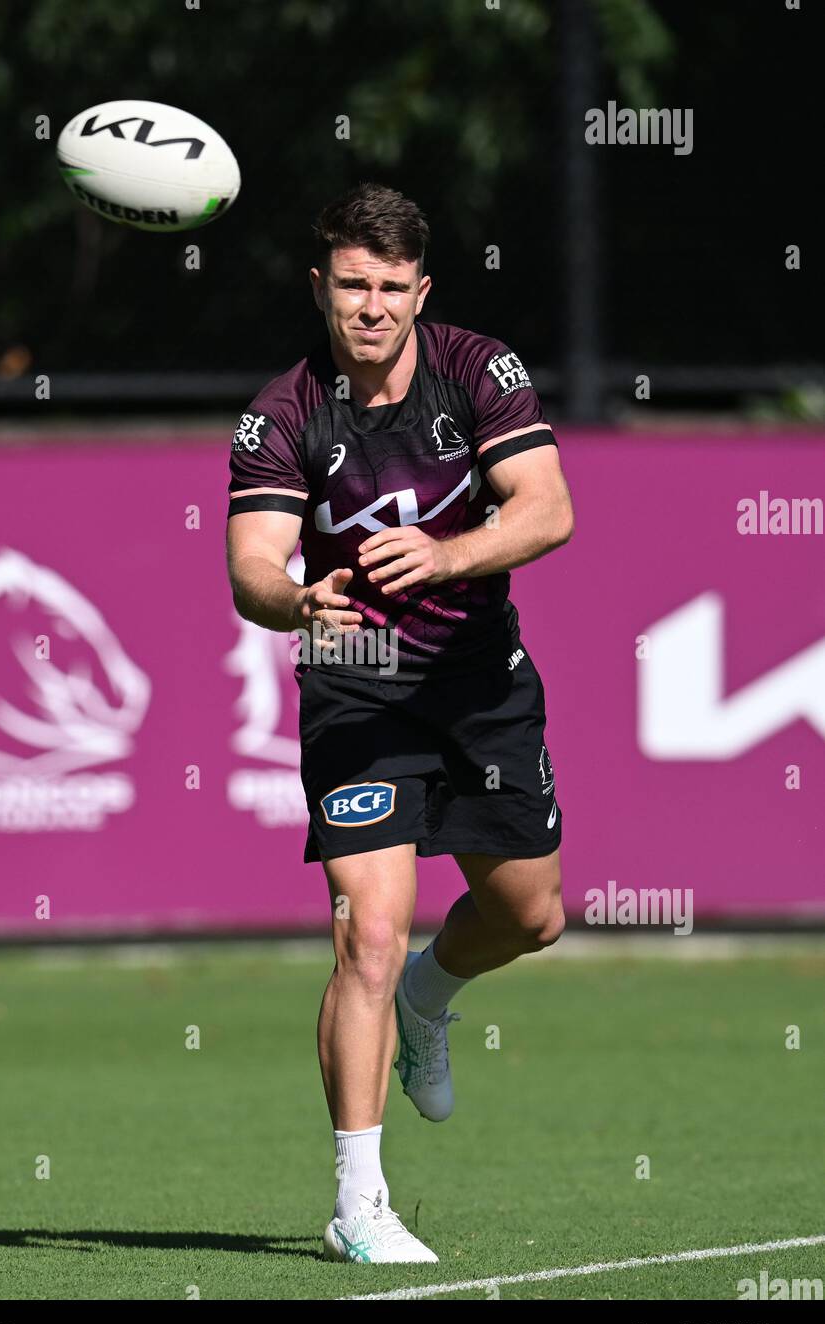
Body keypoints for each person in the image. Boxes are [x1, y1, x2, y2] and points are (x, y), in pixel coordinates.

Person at [226, 183, 574, 1263]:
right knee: (365, 931)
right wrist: (298, 601)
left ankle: (432, 996)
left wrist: (447, 555)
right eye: (349, 285)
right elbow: (248, 570)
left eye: (389, 287)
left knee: (528, 915)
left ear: (420, 291)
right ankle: (357, 1202)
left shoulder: (479, 371)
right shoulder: (281, 412)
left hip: (476, 680)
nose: (368, 306)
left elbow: (546, 509)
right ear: (319, 286)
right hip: (354, 678)